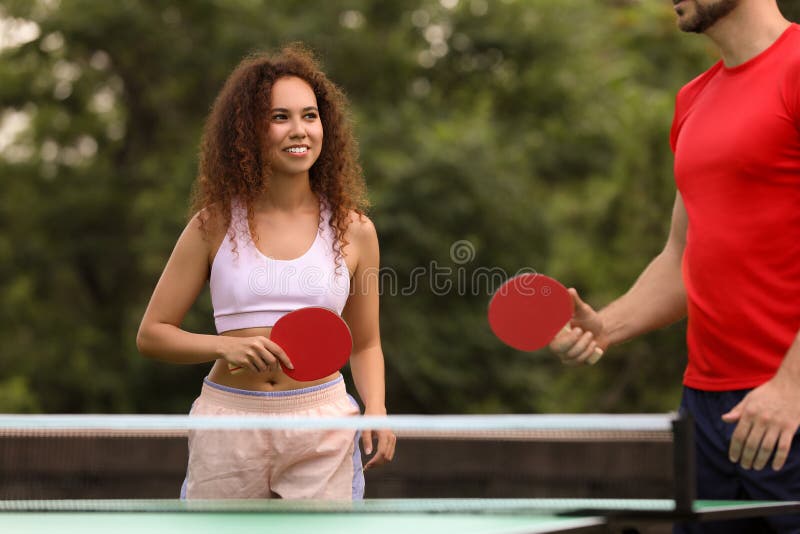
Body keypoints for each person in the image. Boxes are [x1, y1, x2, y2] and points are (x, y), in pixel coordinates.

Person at [550, 1, 800, 532]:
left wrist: (792, 385)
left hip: (789, 405)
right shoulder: (693, 99)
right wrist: (604, 328)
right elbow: (681, 255)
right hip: (705, 413)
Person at [136, 43, 395, 500]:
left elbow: (367, 342)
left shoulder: (356, 231)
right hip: (229, 421)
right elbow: (153, 334)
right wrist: (225, 346)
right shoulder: (211, 225)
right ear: (248, 130)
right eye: (280, 117)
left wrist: (376, 408)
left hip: (322, 423)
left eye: (310, 116)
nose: (299, 130)